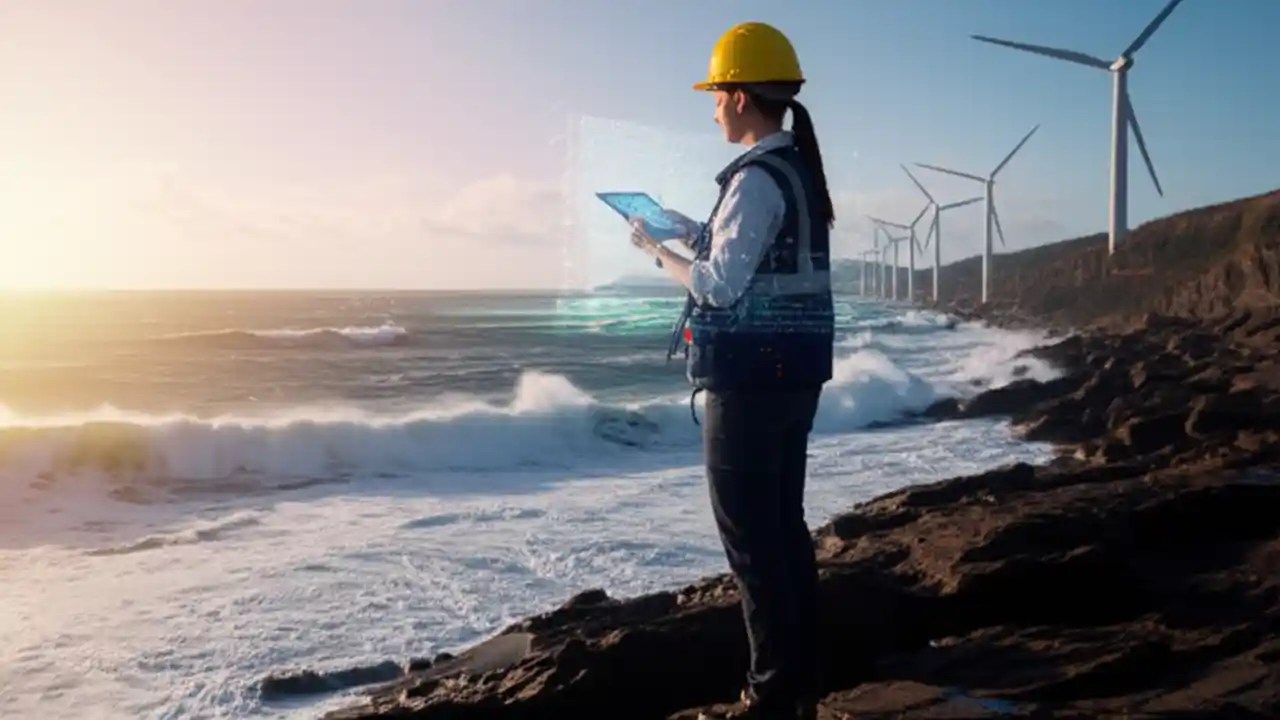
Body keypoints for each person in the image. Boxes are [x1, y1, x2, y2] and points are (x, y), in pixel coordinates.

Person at [627, 21, 836, 720]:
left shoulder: (755, 179)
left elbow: (717, 285)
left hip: (750, 387)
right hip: (793, 379)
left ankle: (772, 695)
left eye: (717, 94)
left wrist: (661, 256)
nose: (713, 106)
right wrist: (686, 228)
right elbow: (754, 252)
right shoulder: (792, 170)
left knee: (753, 547)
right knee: (783, 533)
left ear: (741, 96)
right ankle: (800, 684)